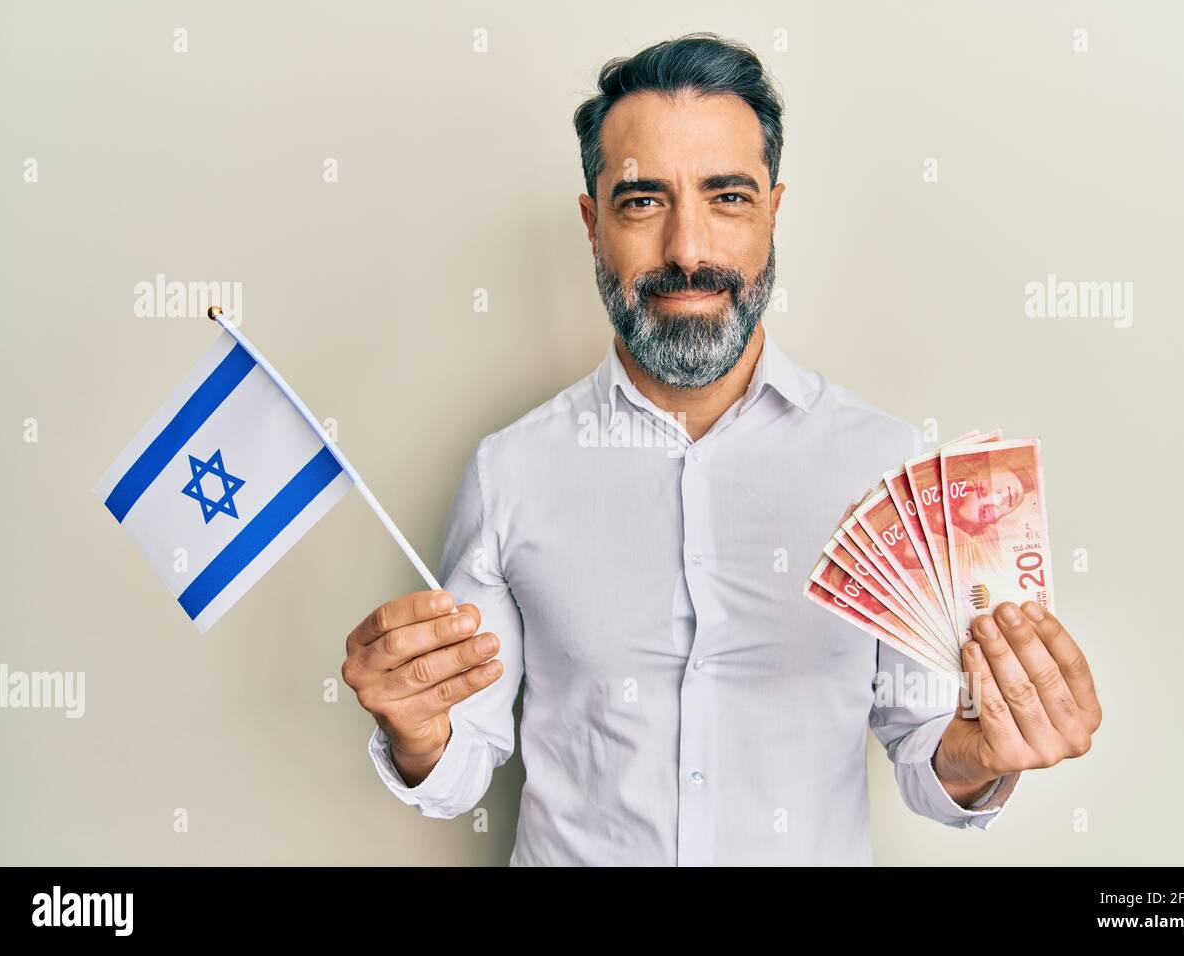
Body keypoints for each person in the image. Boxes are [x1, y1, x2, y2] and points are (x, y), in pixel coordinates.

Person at [340, 32, 1101, 865]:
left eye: (727, 197)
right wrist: (416, 728)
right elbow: (459, 766)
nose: (688, 250)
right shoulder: (509, 471)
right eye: (642, 202)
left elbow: (925, 750)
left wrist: (986, 750)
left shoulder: (887, 470)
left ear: (773, 211)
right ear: (593, 225)